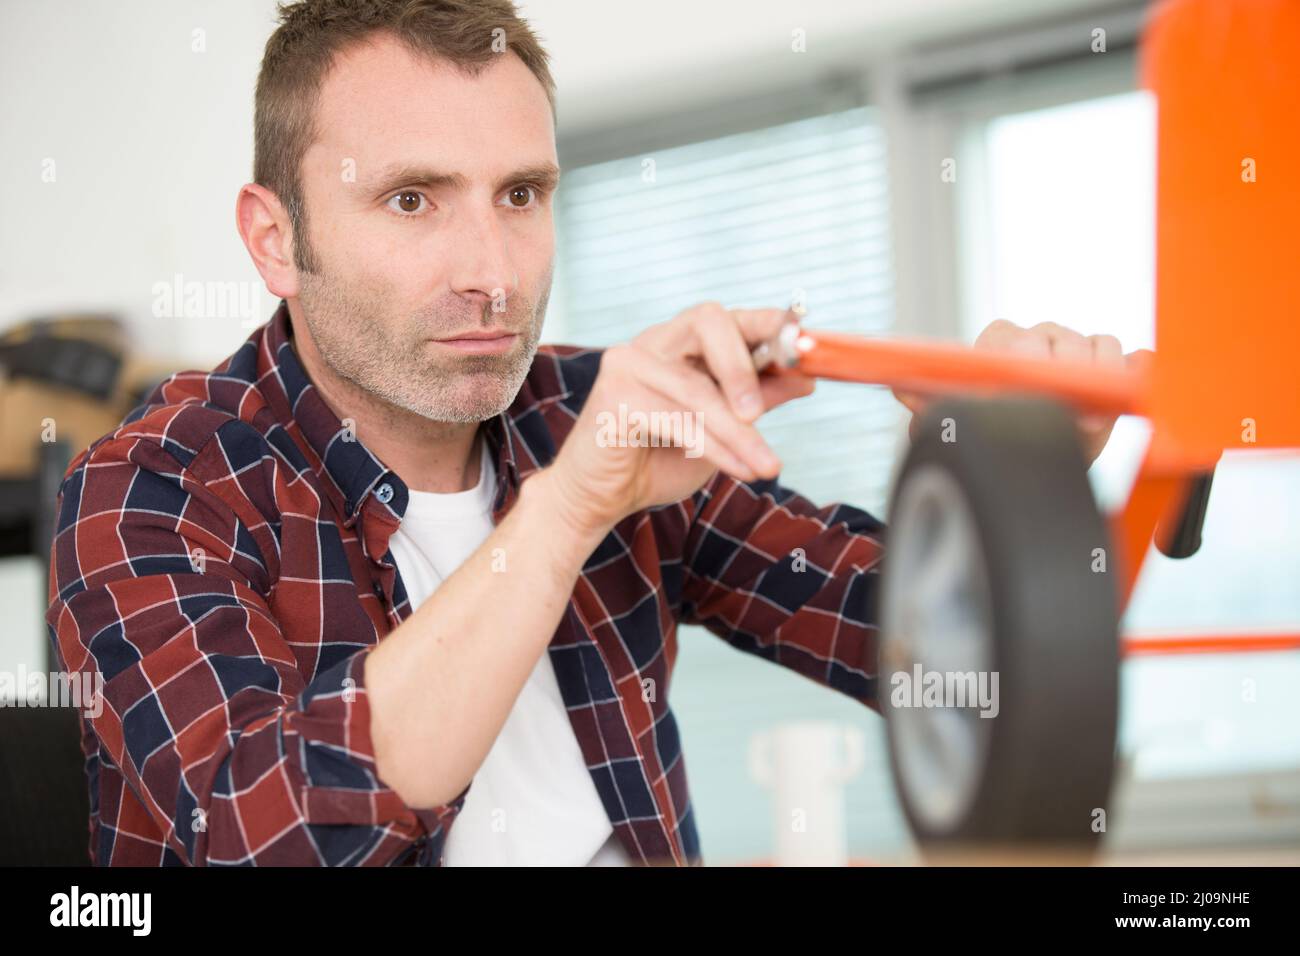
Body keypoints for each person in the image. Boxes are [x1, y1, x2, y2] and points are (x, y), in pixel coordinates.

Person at [46, 0, 1142, 866]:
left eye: (520, 193)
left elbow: (919, 651)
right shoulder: (146, 490)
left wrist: (1028, 484)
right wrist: (571, 507)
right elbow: (271, 837)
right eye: (414, 200)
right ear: (275, 239)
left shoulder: (587, 412)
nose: (491, 273)